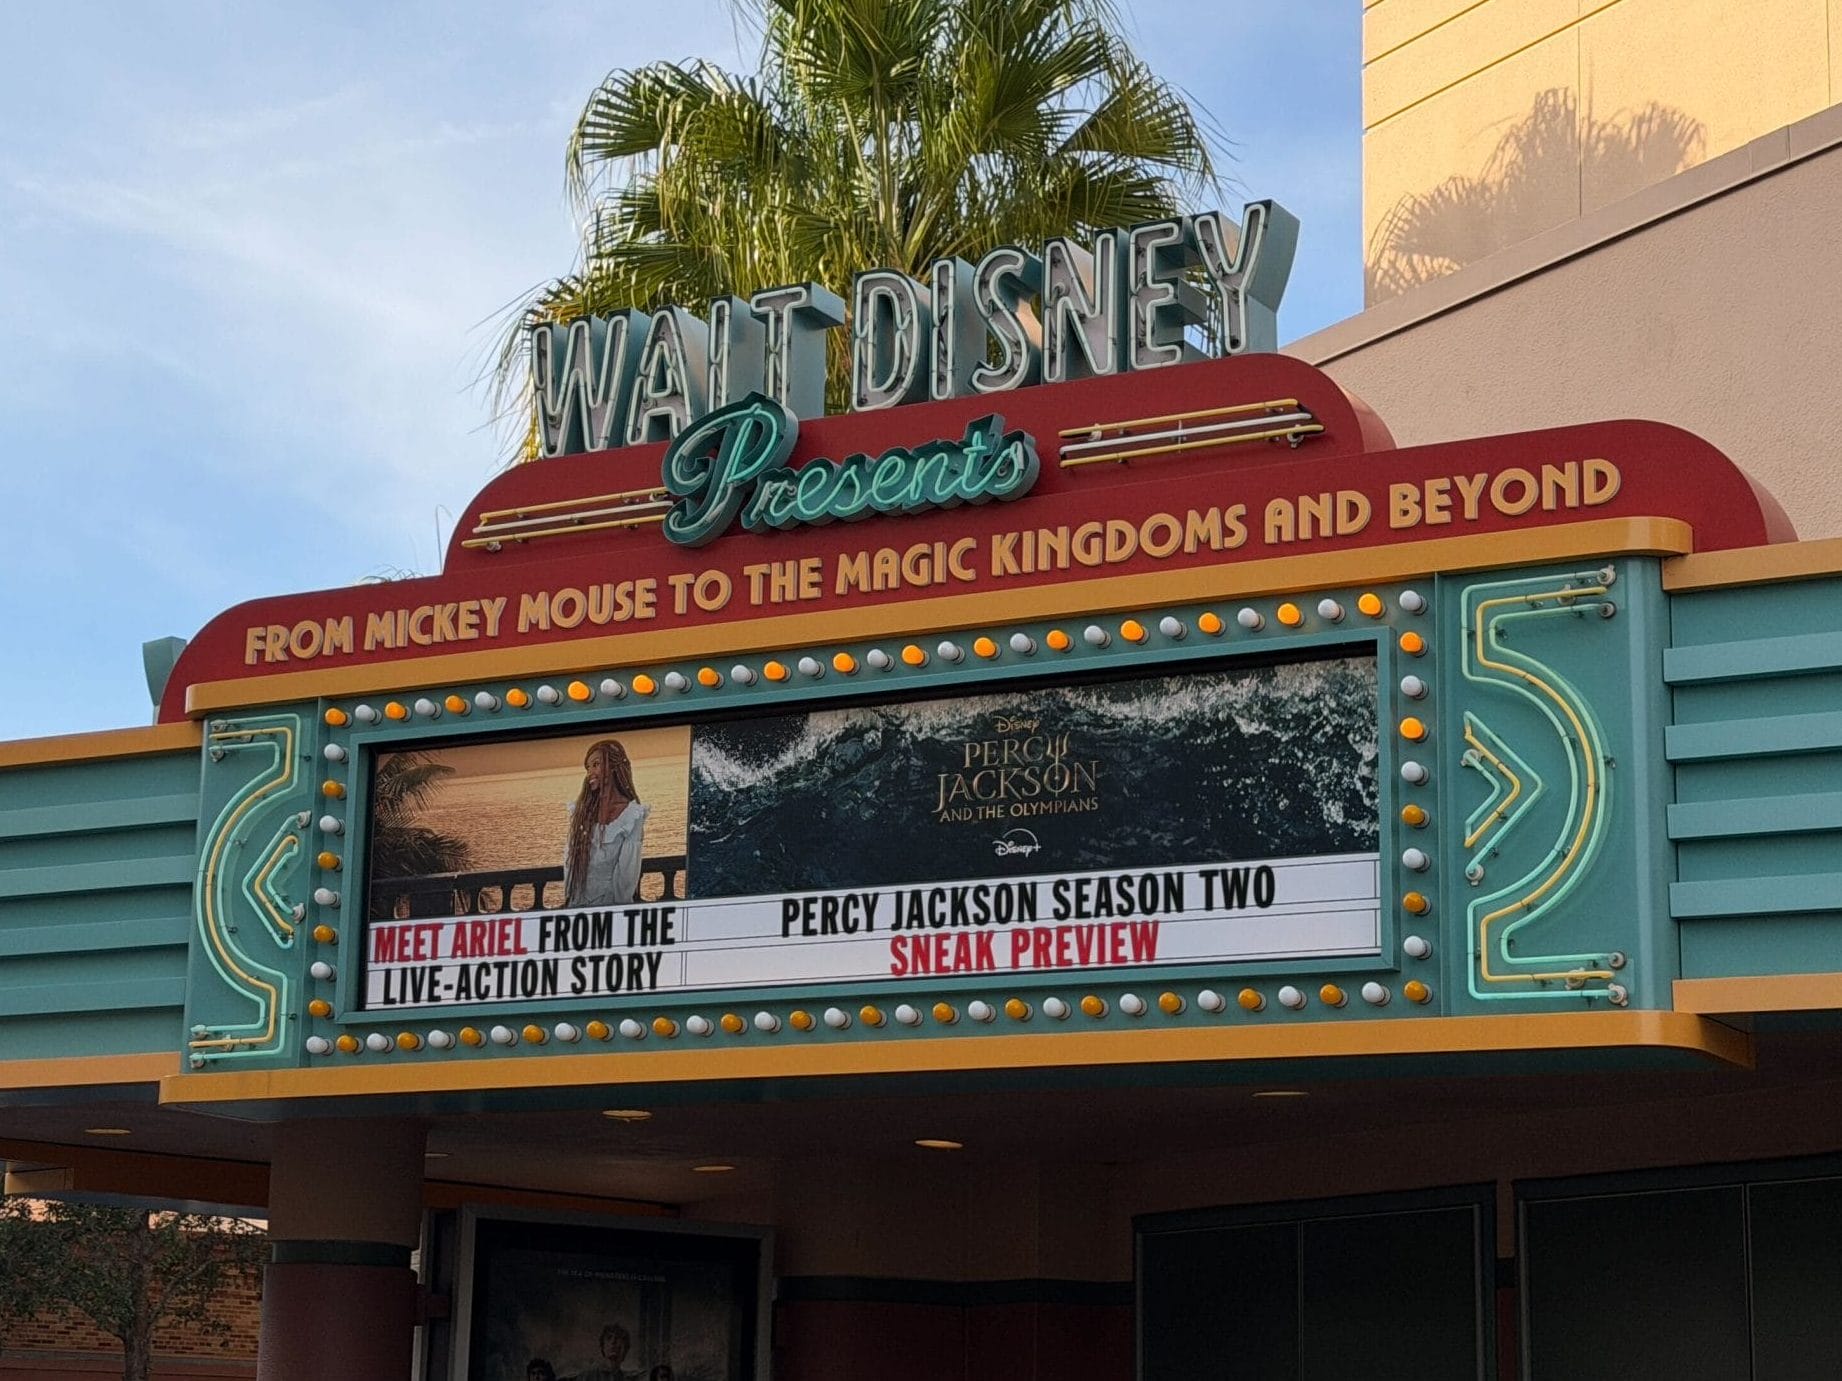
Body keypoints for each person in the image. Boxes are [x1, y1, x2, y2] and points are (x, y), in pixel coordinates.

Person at [562, 740, 651, 906]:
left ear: (613, 766)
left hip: (612, 909)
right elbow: (569, 866)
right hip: (577, 908)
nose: (590, 773)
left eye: (596, 764)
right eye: (588, 768)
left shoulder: (632, 816)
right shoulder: (581, 813)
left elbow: (626, 877)